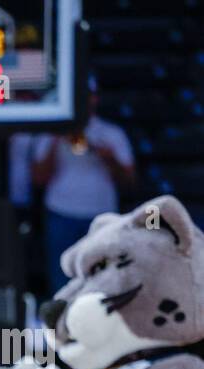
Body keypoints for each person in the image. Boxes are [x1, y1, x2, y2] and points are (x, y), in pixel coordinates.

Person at [30, 81, 135, 294]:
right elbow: (38, 178)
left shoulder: (111, 133)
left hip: (101, 217)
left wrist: (107, 157)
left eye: (88, 95)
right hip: (61, 213)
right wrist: (57, 138)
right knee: (62, 281)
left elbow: (129, 182)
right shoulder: (51, 134)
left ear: (95, 98)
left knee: (103, 279)